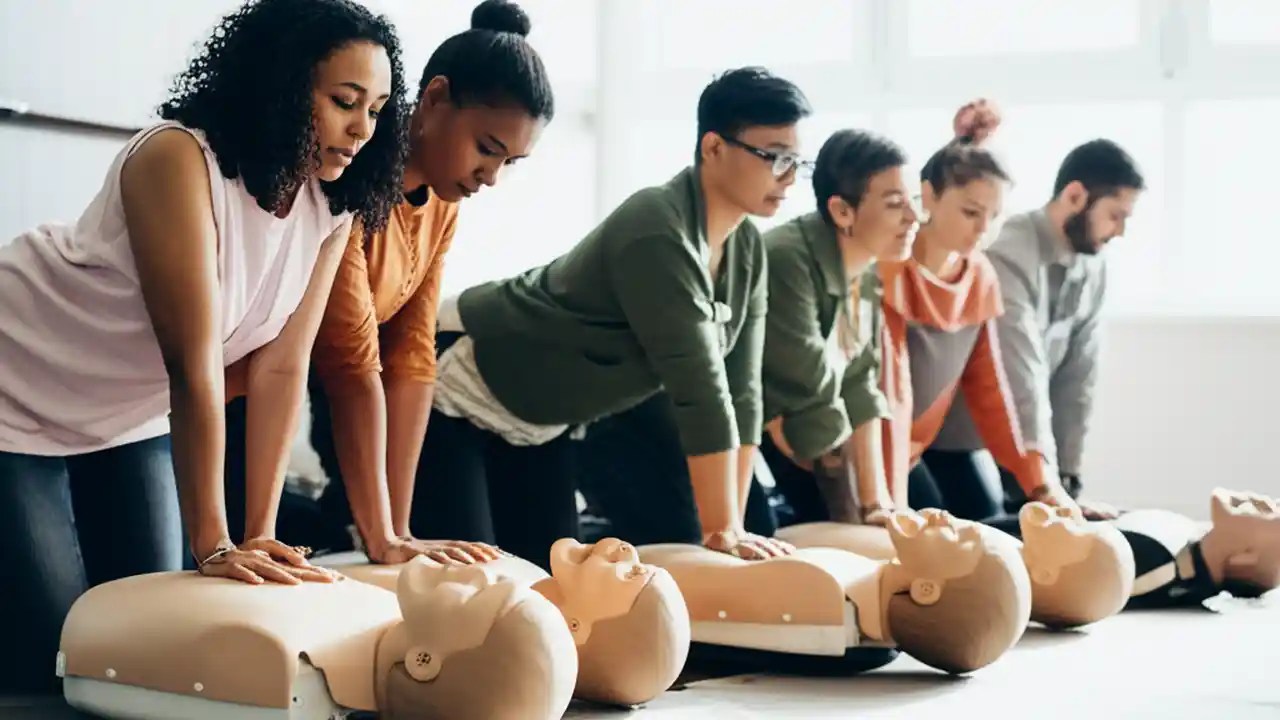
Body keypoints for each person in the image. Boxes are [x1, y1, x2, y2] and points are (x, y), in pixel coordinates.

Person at [0, 0, 407, 694]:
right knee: (52, 655)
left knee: (143, 648)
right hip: (17, 379)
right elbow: (191, 365)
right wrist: (213, 544)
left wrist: (257, 537)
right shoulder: (177, 156)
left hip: (120, 417)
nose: (363, 129)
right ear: (282, 83)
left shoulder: (329, 206)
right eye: (344, 101)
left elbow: (281, 367)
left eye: (377, 108)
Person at [417, 67, 813, 567]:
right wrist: (722, 532)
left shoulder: (748, 249)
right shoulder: (658, 228)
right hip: (461, 381)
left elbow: (742, 391)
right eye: (775, 157)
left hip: (545, 420)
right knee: (472, 585)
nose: (790, 177)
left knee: (552, 587)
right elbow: (700, 390)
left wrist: (735, 527)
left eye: (797, 161)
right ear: (713, 148)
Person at [306, 0, 552, 567]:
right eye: (488, 149)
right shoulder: (353, 176)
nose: (491, 176)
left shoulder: (442, 205)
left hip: (331, 379)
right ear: (435, 99)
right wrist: (383, 535)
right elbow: (352, 362)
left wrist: (398, 527)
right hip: (253, 388)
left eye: (510, 162)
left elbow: (413, 355)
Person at [876, 124, 1088, 521]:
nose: (983, 229)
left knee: (990, 521)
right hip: (872, 445)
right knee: (941, 535)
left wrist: (1043, 486)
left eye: (993, 217)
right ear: (929, 196)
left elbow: (992, 389)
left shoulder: (980, 275)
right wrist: (890, 501)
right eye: (971, 212)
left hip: (912, 448)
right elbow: (892, 393)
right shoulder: (890, 269)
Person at [925, 140, 1145, 516]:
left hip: (1022, 444)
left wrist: (1067, 482)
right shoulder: (1008, 249)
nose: (1120, 231)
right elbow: (1019, 374)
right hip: (954, 439)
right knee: (989, 529)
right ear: (1075, 195)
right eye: (1115, 215)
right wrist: (1046, 490)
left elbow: (1078, 382)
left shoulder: (1096, 267)